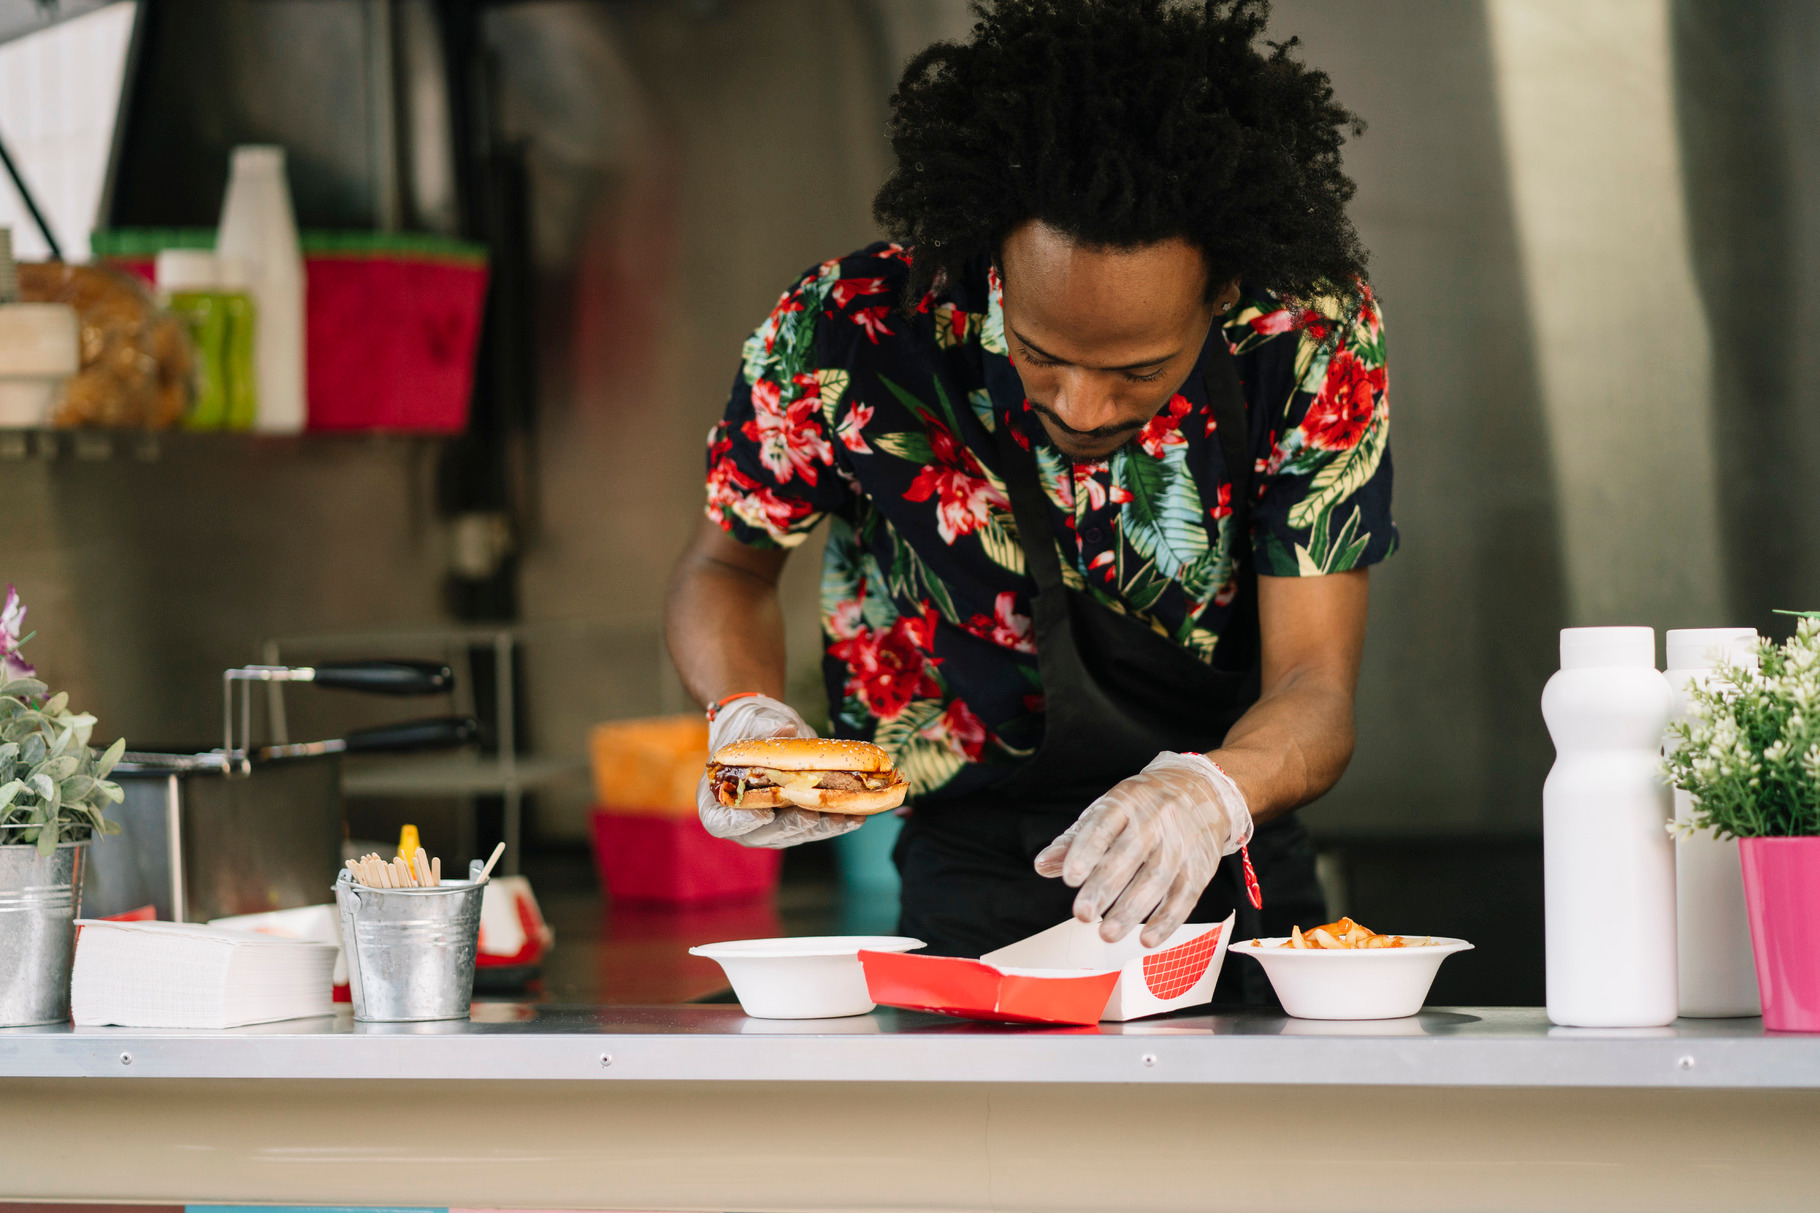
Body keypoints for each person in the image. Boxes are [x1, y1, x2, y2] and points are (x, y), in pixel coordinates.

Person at [665, 0, 1393, 994]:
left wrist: (1204, 793)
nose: (1080, 404)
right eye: (1041, 353)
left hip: (1225, 876)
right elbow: (724, 568)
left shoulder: (1300, 336)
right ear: (993, 259)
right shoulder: (849, 334)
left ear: (1220, 294)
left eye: (1136, 370)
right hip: (963, 874)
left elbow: (1314, 689)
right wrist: (744, 712)